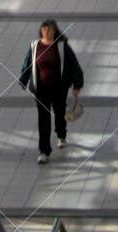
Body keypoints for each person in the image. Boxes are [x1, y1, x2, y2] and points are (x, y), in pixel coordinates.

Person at [19, 19, 84, 165]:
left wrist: (77, 84)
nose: (46, 32)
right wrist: (23, 80)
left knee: (59, 114)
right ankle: (44, 151)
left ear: (54, 31)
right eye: (44, 29)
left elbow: (73, 64)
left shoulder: (62, 47)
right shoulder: (35, 46)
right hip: (41, 90)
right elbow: (28, 63)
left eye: (49, 29)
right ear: (41, 31)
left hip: (59, 89)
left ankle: (61, 134)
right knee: (43, 119)